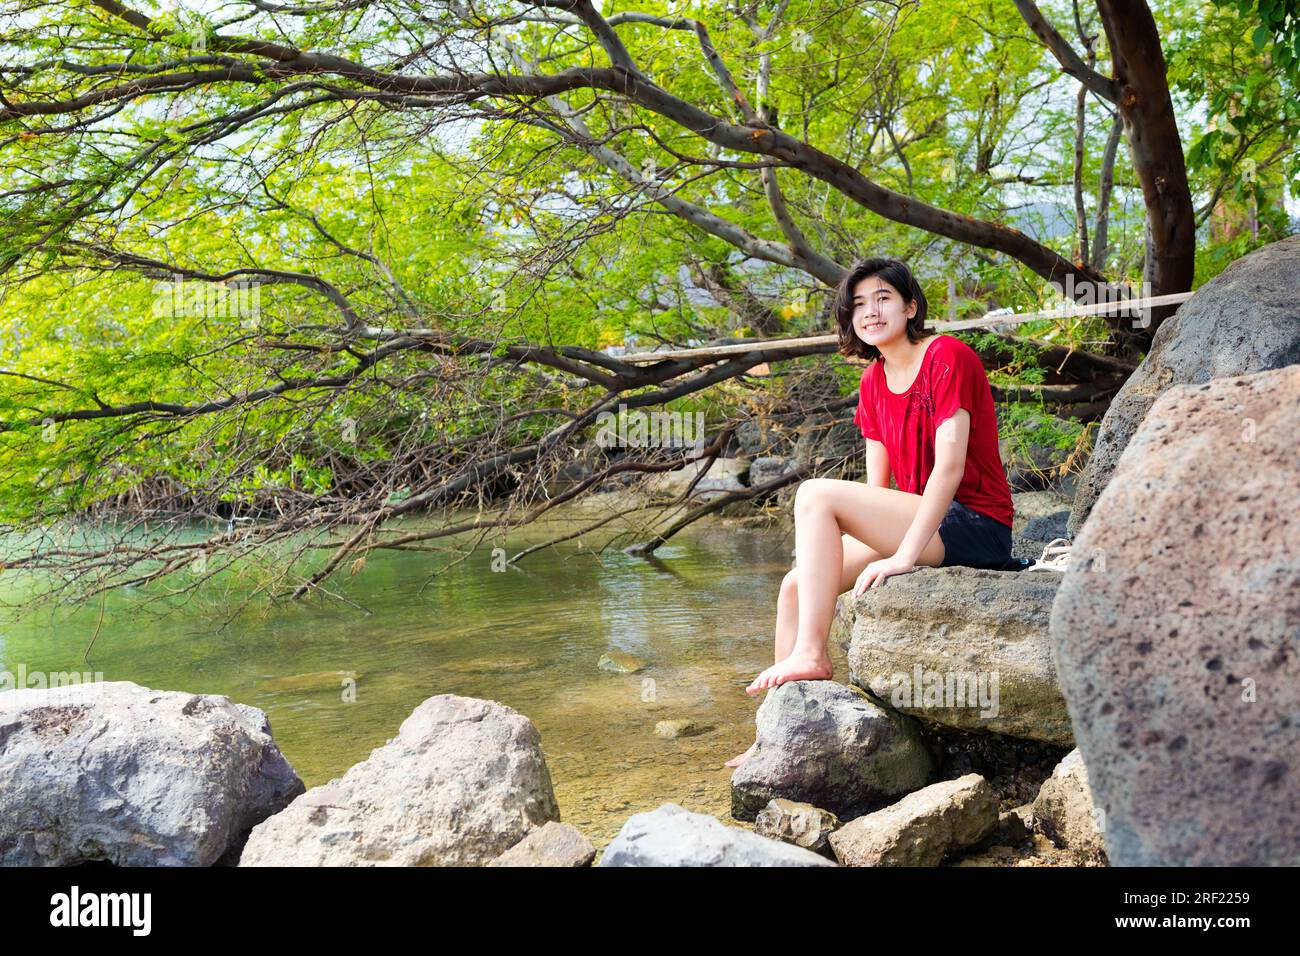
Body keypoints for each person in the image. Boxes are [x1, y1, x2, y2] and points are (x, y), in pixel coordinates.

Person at [724, 257, 1015, 768]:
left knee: (814, 493)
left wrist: (901, 556)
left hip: (975, 524)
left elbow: (947, 469)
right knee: (794, 586)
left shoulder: (948, 356)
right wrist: (857, 550)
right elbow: (876, 491)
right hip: (924, 522)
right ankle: (775, 730)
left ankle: (813, 655)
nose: (871, 311)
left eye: (883, 298)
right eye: (858, 304)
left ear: (911, 306)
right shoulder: (873, 382)